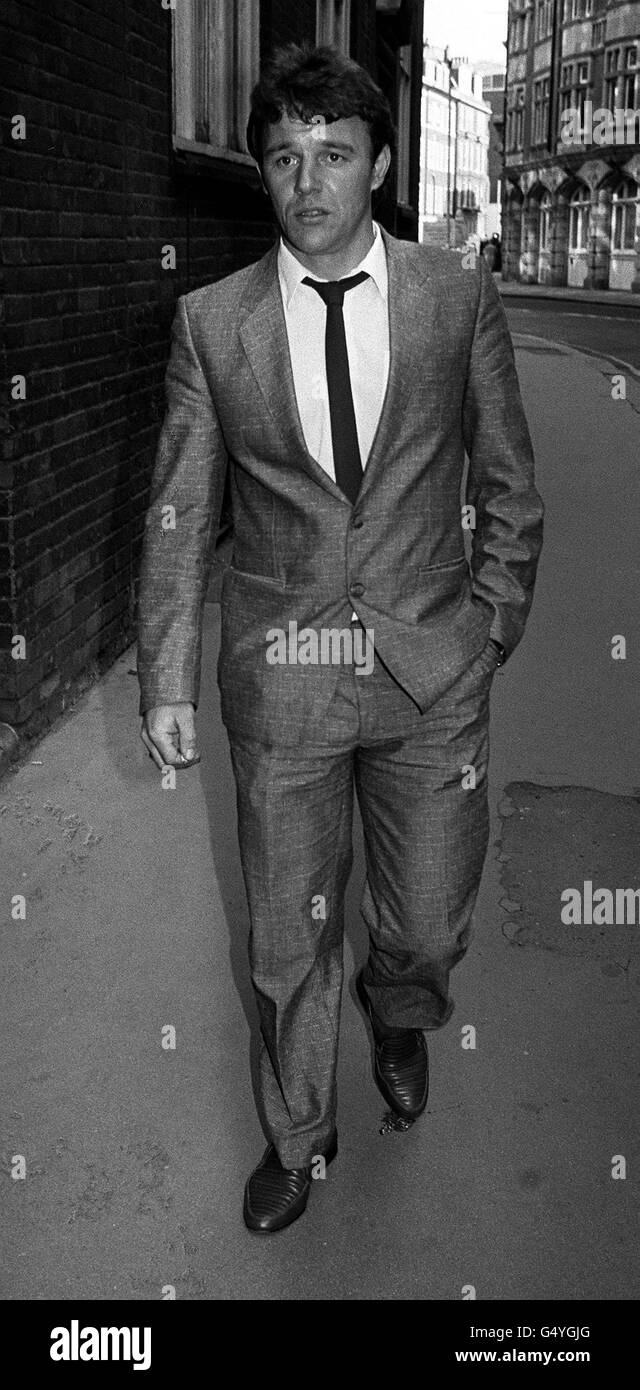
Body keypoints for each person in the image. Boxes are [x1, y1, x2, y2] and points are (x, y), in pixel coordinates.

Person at [137, 44, 544, 1234]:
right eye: (282, 157)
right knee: (283, 936)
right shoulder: (212, 325)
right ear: (264, 175)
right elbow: (178, 507)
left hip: (429, 670)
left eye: (333, 153)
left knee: (421, 917)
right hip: (285, 683)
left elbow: (510, 480)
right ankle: (299, 1137)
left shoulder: (453, 299)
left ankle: (400, 1005)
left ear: (376, 164)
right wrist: (166, 673)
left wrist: (493, 621)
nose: (307, 179)